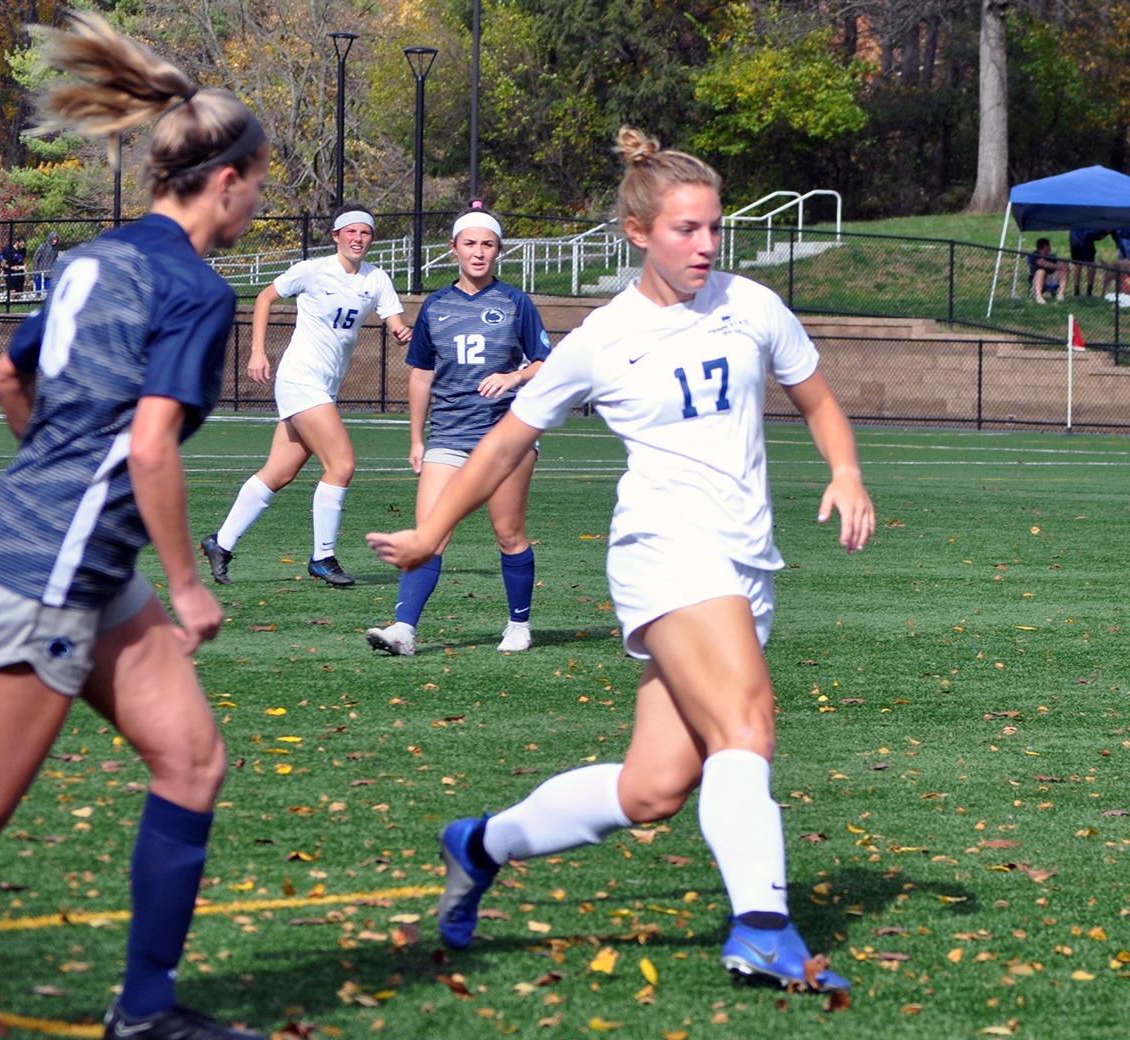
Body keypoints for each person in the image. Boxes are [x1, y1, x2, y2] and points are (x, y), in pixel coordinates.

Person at [367, 126, 875, 993]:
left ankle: (479, 843)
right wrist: (431, 532)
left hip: (746, 560)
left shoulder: (750, 305)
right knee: (745, 725)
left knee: (653, 790)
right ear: (639, 233)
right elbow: (500, 445)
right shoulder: (603, 337)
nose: (707, 245)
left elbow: (817, 397)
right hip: (665, 553)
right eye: (687, 230)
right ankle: (761, 929)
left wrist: (848, 470)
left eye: (715, 228)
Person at [0, 13, 267, 1040]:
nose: (259, 201)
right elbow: (148, 448)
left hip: (68, 559)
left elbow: (13, 372)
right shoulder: (194, 290)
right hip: (50, 572)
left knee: (191, 758)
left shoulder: (97, 255)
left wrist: (50, 477)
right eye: (257, 182)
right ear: (226, 181)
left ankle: (146, 1012)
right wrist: (187, 583)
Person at [364, 209, 551, 657]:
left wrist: (514, 377)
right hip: (448, 436)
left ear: (498, 251)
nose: (479, 252)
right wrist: (416, 438)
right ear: (454, 249)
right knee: (430, 532)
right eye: (470, 244)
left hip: (506, 437)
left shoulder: (515, 302)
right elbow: (421, 376)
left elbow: (547, 363)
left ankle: (519, 625)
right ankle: (403, 630)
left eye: (487, 244)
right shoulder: (435, 305)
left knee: (508, 533)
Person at [200, 205, 411, 588]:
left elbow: (395, 322)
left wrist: (404, 332)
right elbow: (265, 298)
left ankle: (220, 542)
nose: (357, 238)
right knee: (342, 464)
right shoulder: (313, 270)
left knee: (279, 472)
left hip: (322, 386)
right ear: (335, 236)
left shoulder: (376, 279)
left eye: (365, 233)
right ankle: (323, 557)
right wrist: (257, 351)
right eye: (350, 232)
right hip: (300, 379)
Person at [1067, 227, 1106, 296]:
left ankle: (1077, 290)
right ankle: (1088, 290)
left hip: (1076, 237)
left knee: (1078, 264)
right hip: (1083, 237)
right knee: (1090, 264)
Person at [1028, 237, 1065, 303]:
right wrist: (1057, 266)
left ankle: (1060, 294)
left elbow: (1059, 264)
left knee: (1064, 267)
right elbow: (1042, 263)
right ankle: (1039, 297)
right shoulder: (1035, 254)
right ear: (1045, 246)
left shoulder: (1051, 256)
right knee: (1041, 271)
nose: (1050, 248)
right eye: (1049, 245)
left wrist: (1062, 266)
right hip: (1038, 279)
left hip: (1051, 277)